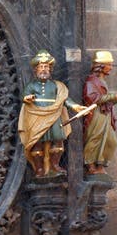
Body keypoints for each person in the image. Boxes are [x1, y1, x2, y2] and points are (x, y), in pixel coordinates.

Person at [18, 50, 88, 178]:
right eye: (41, 67)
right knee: (36, 142)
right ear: (36, 70)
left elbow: (64, 99)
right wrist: (27, 98)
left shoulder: (57, 86)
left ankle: (55, 166)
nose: (44, 70)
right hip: (36, 115)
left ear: (50, 70)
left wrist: (75, 106)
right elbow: (24, 96)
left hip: (54, 115)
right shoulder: (32, 85)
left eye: (46, 67)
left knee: (58, 141)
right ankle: (39, 169)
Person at [83, 50, 117, 175]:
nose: (111, 67)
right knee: (95, 138)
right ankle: (90, 164)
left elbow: (106, 100)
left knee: (111, 141)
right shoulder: (91, 80)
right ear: (101, 66)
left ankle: (101, 164)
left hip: (105, 114)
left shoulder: (102, 82)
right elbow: (92, 98)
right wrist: (113, 96)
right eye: (109, 64)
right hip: (96, 114)